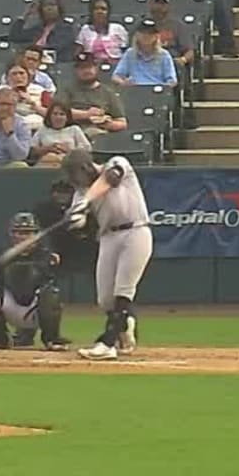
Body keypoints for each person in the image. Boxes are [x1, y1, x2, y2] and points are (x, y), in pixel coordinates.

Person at [61, 150, 151, 361]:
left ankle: (107, 342)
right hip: (108, 237)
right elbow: (79, 224)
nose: (73, 180)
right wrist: (75, 219)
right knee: (105, 299)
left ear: (85, 168)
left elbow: (111, 179)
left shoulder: (116, 163)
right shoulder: (80, 192)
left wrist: (87, 200)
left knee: (124, 290)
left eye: (74, 175)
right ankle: (125, 322)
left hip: (135, 231)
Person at [0, 212, 70, 351]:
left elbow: (47, 276)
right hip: (10, 307)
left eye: (28, 233)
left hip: (36, 310)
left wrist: (47, 262)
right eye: (19, 233)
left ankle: (51, 339)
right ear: (12, 234)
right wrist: (5, 263)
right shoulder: (5, 254)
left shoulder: (45, 254)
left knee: (50, 292)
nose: (23, 237)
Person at [112, 19, 179, 88]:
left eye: (150, 33)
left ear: (156, 36)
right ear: (137, 35)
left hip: (157, 92)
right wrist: (123, 83)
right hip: (135, 90)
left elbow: (172, 80)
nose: (146, 36)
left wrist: (165, 87)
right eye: (143, 32)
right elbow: (116, 76)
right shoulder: (130, 53)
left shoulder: (164, 55)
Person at [9, 0, 77, 61]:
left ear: (59, 8)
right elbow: (15, 37)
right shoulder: (38, 28)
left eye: (52, 5)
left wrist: (30, 50)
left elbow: (55, 47)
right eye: (45, 6)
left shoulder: (66, 28)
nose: (49, 8)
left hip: (57, 64)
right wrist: (24, 16)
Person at [0, 63, 51, 131]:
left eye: (21, 73)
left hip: (37, 128)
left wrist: (33, 104)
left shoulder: (41, 91)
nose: (18, 77)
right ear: (7, 78)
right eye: (14, 74)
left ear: (28, 76)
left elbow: (51, 115)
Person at [27, 100, 89, 166]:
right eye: (55, 114)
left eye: (62, 114)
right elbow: (32, 149)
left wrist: (69, 150)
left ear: (67, 117)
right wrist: (46, 149)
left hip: (69, 163)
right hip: (47, 163)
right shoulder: (42, 130)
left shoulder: (74, 129)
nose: (58, 117)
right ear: (49, 116)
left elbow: (87, 148)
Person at [75, 0, 128, 65]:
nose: (99, 11)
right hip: (92, 66)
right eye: (96, 9)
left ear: (108, 12)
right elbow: (78, 54)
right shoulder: (85, 30)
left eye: (103, 9)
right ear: (91, 12)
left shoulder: (118, 28)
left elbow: (126, 52)